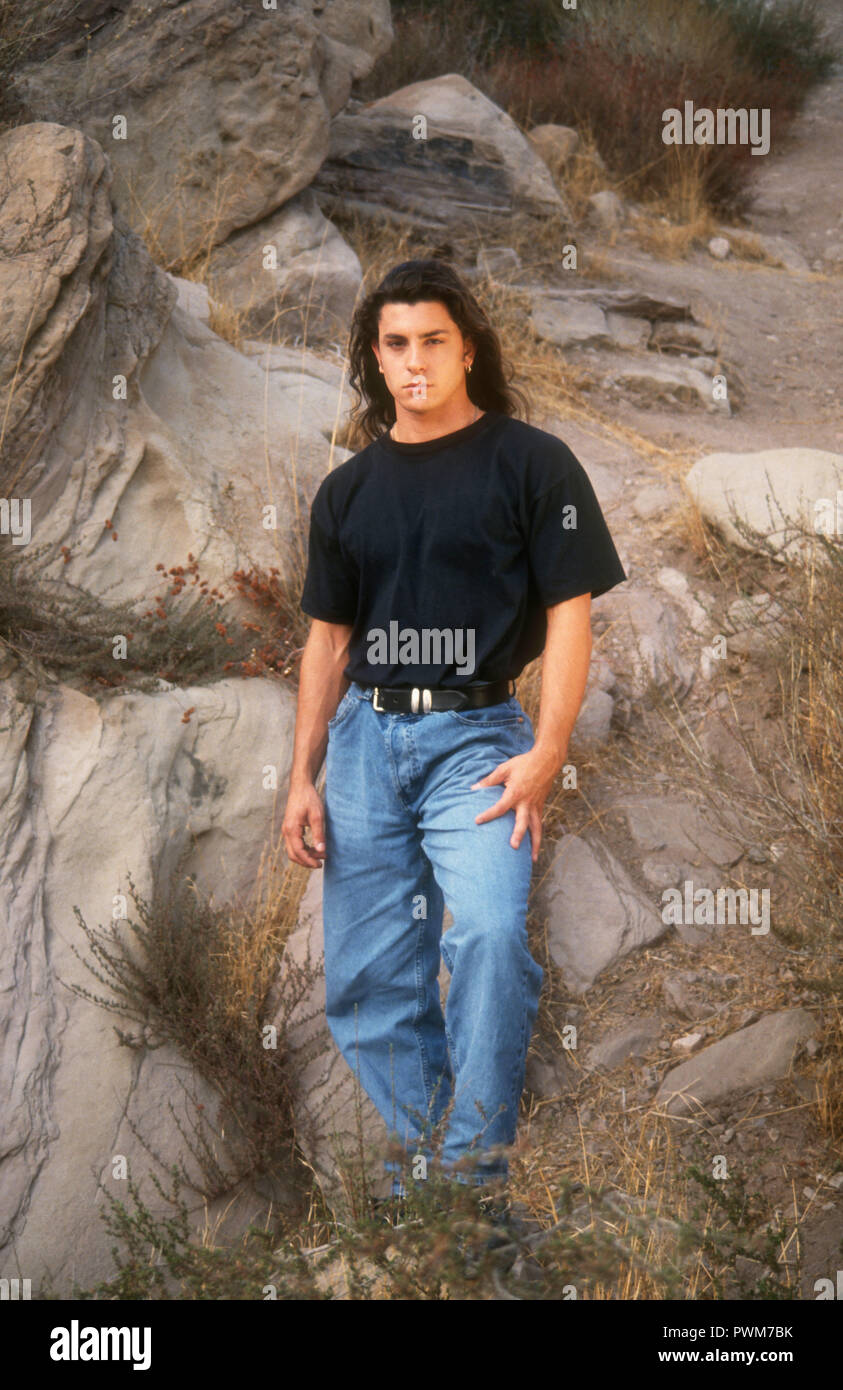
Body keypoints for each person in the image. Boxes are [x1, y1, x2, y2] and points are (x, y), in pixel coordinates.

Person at [282, 258, 627, 1202]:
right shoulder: (346, 493)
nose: (414, 360)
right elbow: (326, 642)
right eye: (395, 344)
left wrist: (547, 754)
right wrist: (303, 774)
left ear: (466, 346)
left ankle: (471, 1181)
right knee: (364, 986)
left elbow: (568, 614)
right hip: (361, 742)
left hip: (477, 743)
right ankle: (442, 1194)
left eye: (433, 339)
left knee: (483, 936)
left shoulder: (532, 463)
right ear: (375, 359)